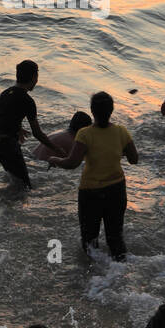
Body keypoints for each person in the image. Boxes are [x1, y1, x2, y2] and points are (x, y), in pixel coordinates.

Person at [48, 91, 137, 261]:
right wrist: (117, 150)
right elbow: (134, 159)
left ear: (92, 111)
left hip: (91, 192)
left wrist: (54, 159)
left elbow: (72, 163)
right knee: (115, 237)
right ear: (111, 110)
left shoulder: (85, 134)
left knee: (90, 240)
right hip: (117, 189)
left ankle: (93, 280)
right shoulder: (121, 132)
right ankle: (120, 274)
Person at [0, 60, 57, 190]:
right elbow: (37, 133)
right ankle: (3, 205)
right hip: (7, 144)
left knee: (15, 178)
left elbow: (3, 116)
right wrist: (56, 149)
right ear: (34, 78)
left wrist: (18, 128)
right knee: (25, 186)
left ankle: (2, 202)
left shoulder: (6, 93)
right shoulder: (28, 101)